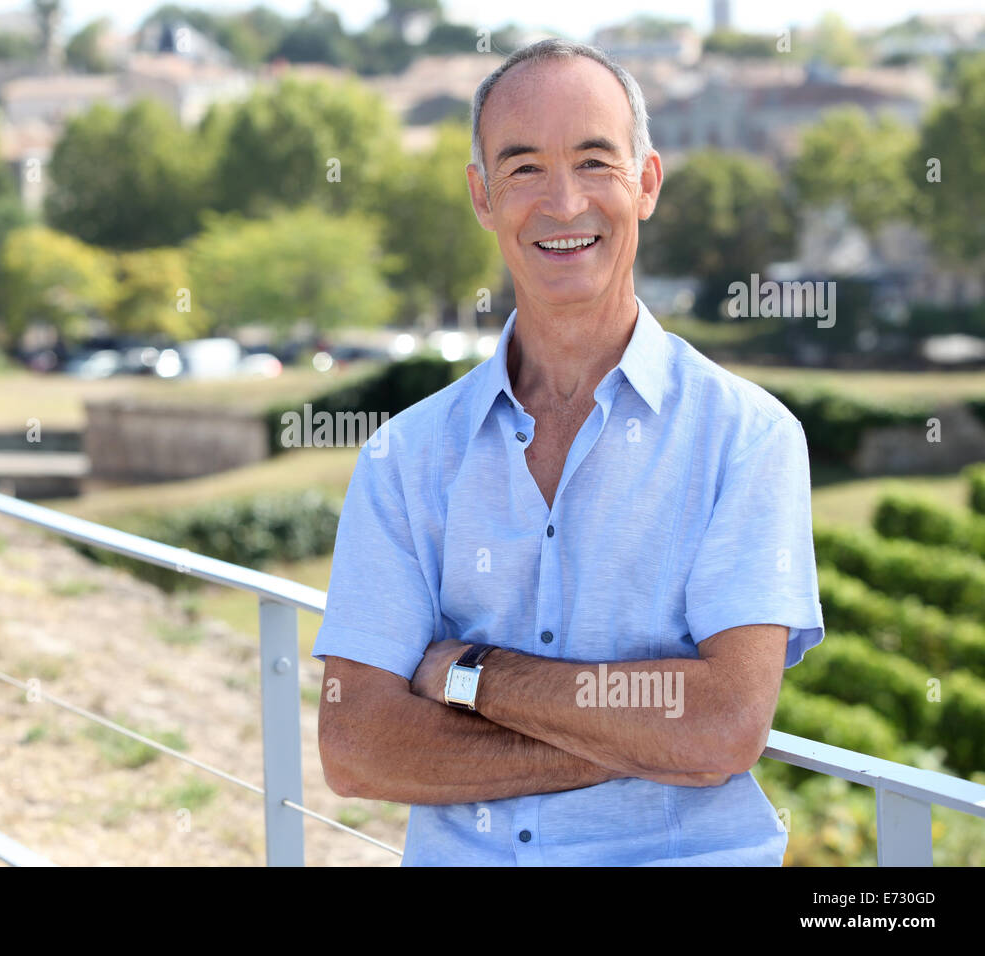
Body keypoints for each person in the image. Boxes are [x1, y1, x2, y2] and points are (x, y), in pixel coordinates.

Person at [313, 37, 825, 866]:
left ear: (646, 183)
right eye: (523, 169)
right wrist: (650, 733)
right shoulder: (401, 458)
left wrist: (473, 677)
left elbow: (726, 724)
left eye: (594, 162)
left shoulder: (748, 438)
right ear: (483, 197)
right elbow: (357, 744)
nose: (562, 203)